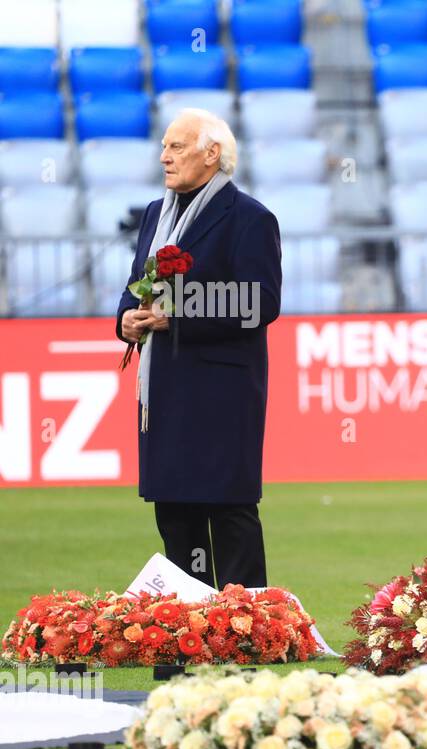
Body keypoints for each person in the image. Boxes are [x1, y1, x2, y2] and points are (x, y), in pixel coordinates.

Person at [115, 108, 282, 589]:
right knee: (176, 514)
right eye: (165, 146)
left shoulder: (250, 217)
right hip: (164, 390)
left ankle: (246, 633)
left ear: (212, 154)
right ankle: (187, 633)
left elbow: (261, 302)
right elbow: (136, 287)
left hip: (222, 394)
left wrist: (178, 314)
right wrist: (127, 318)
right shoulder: (154, 213)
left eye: (177, 147)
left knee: (230, 513)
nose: (164, 157)